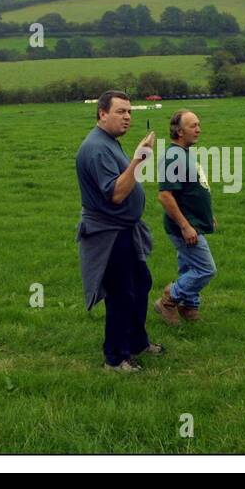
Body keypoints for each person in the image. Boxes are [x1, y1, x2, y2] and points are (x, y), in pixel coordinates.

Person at [75, 90, 164, 373]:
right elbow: (115, 194)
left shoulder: (109, 142)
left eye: (129, 112)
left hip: (124, 230)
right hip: (108, 233)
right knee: (121, 294)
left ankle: (137, 342)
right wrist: (140, 159)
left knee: (141, 284)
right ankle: (114, 358)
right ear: (102, 113)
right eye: (120, 112)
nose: (127, 117)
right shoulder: (97, 148)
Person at [153, 109, 217, 325]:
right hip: (184, 227)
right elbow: (165, 196)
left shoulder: (184, 153)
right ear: (179, 131)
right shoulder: (173, 156)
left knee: (189, 267)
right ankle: (169, 300)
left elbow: (194, 190)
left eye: (198, 124)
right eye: (193, 126)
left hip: (195, 223)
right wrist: (185, 226)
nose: (198, 129)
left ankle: (189, 305)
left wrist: (207, 216)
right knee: (205, 269)